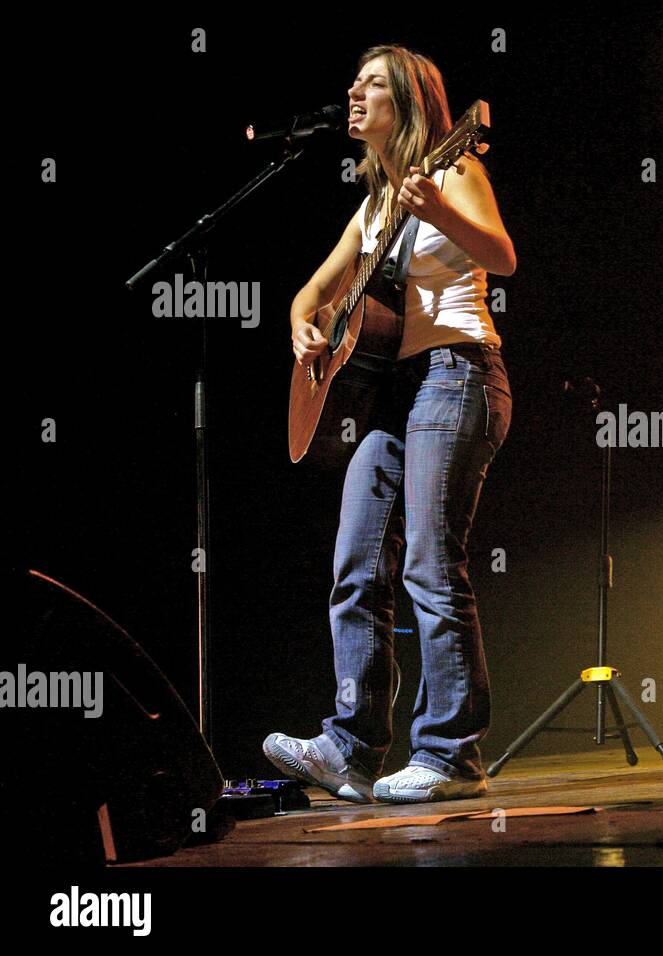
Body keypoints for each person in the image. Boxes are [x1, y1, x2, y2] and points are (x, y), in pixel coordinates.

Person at [263, 44, 515, 804]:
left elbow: (501, 257)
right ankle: (351, 746)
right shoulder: (371, 205)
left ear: (407, 100)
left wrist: (438, 211)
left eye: (370, 82)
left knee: (430, 567)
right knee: (356, 567)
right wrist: (305, 326)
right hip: (393, 394)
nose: (352, 90)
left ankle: (450, 753)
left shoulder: (454, 168)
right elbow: (310, 292)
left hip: (457, 375)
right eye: (354, 80)